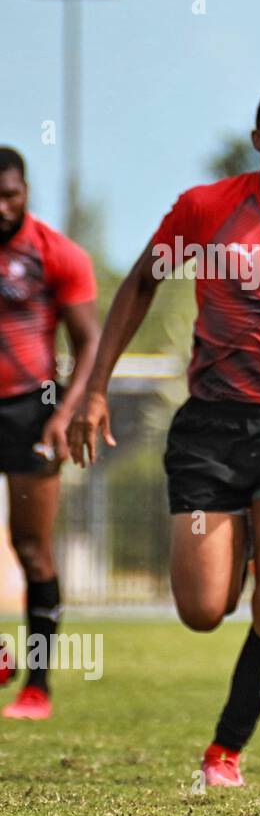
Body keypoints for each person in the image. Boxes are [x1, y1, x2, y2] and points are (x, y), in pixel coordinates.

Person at [68, 83, 260, 787]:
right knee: (205, 611)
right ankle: (231, 547)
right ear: (259, 136)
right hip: (208, 429)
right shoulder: (207, 209)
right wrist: (93, 388)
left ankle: (225, 752)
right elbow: (139, 284)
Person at [0, 146, 101, 719]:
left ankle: (37, 687)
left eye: (10, 194)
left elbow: (88, 339)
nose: (1, 206)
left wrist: (64, 412)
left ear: (26, 192)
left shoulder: (54, 253)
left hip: (31, 411)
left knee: (32, 548)